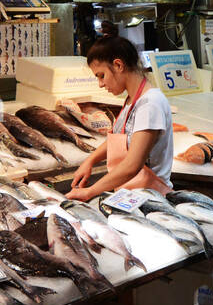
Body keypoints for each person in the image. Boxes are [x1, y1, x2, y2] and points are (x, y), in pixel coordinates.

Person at [67, 36, 174, 199]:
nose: (100, 84)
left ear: (118, 65)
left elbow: (132, 165)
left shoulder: (150, 104)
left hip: (150, 197)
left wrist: (90, 191)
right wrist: (90, 160)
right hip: (131, 194)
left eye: (101, 75)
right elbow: (118, 140)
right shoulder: (131, 100)